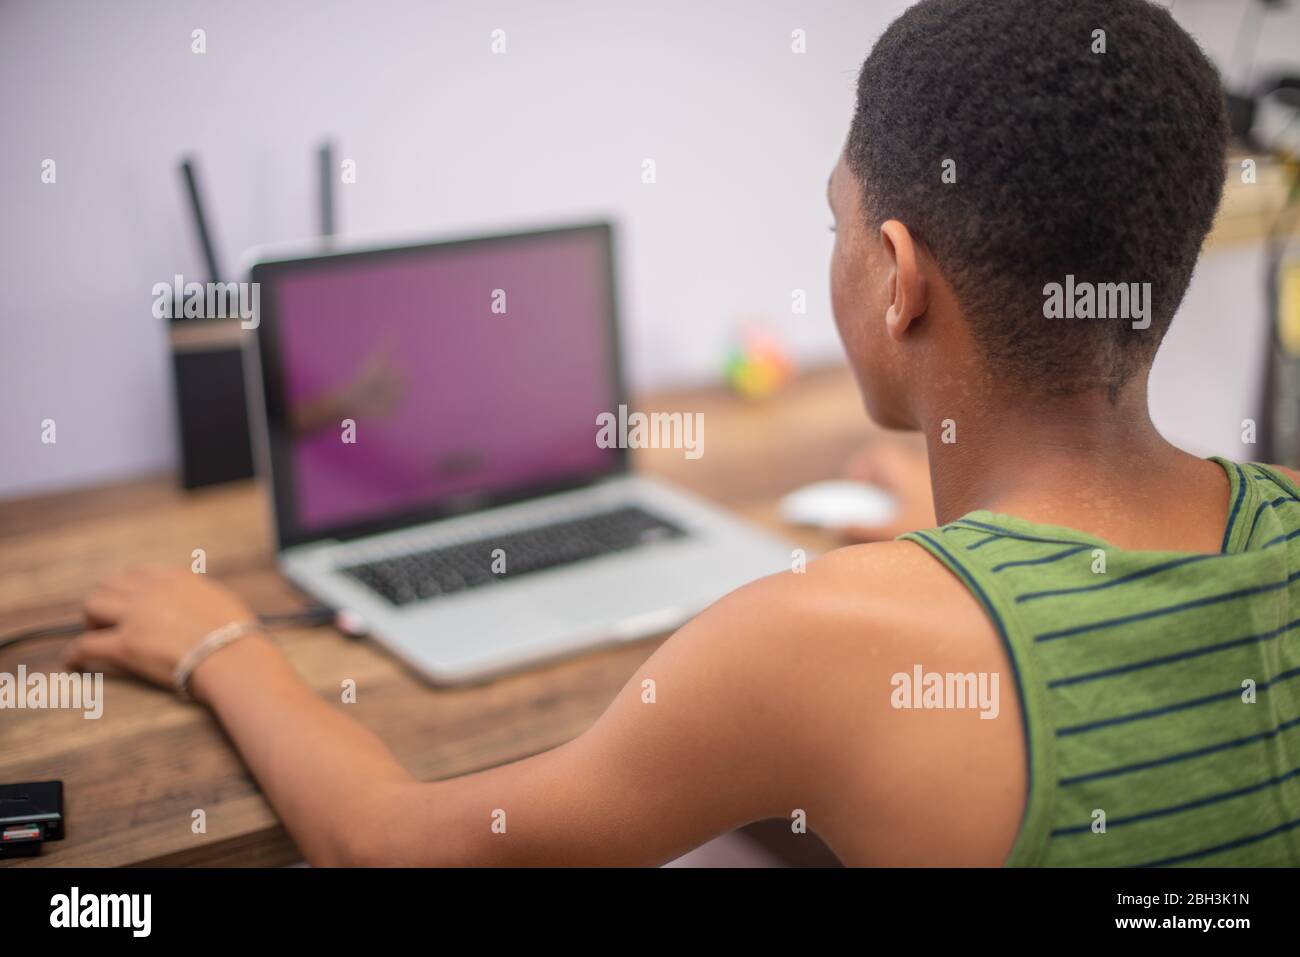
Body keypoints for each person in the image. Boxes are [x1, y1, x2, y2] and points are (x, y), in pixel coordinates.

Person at [66, 0, 1300, 866]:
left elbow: (390, 846)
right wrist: (962, 547)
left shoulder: (816, 646)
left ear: (895, 277)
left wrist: (220, 645)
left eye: (837, 223)